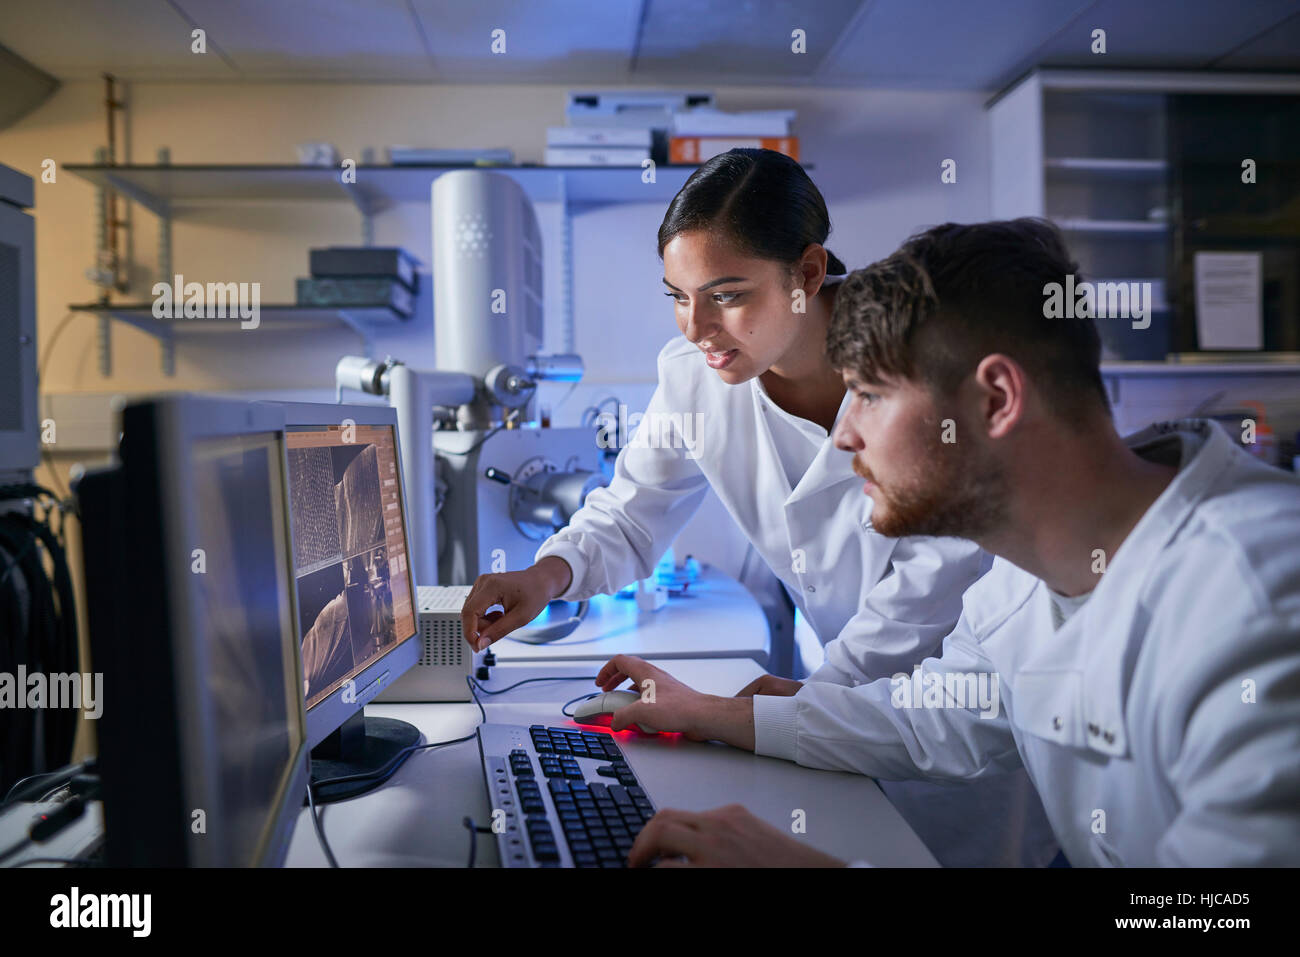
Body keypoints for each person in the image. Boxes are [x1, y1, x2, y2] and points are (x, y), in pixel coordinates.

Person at [595, 218, 1300, 867]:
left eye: (869, 394)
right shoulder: (1025, 569)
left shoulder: (1258, 599)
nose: (843, 437)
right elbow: (935, 715)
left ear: (994, 400)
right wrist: (710, 713)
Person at [460, 150, 1057, 866]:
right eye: (677, 296)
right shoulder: (696, 377)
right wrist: (547, 573)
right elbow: (632, 508)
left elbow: (925, 601)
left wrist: (785, 712)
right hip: (857, 706)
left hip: (955, 730)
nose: (695, 327)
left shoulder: (925, 371)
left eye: (727, 294)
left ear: (807, 274)